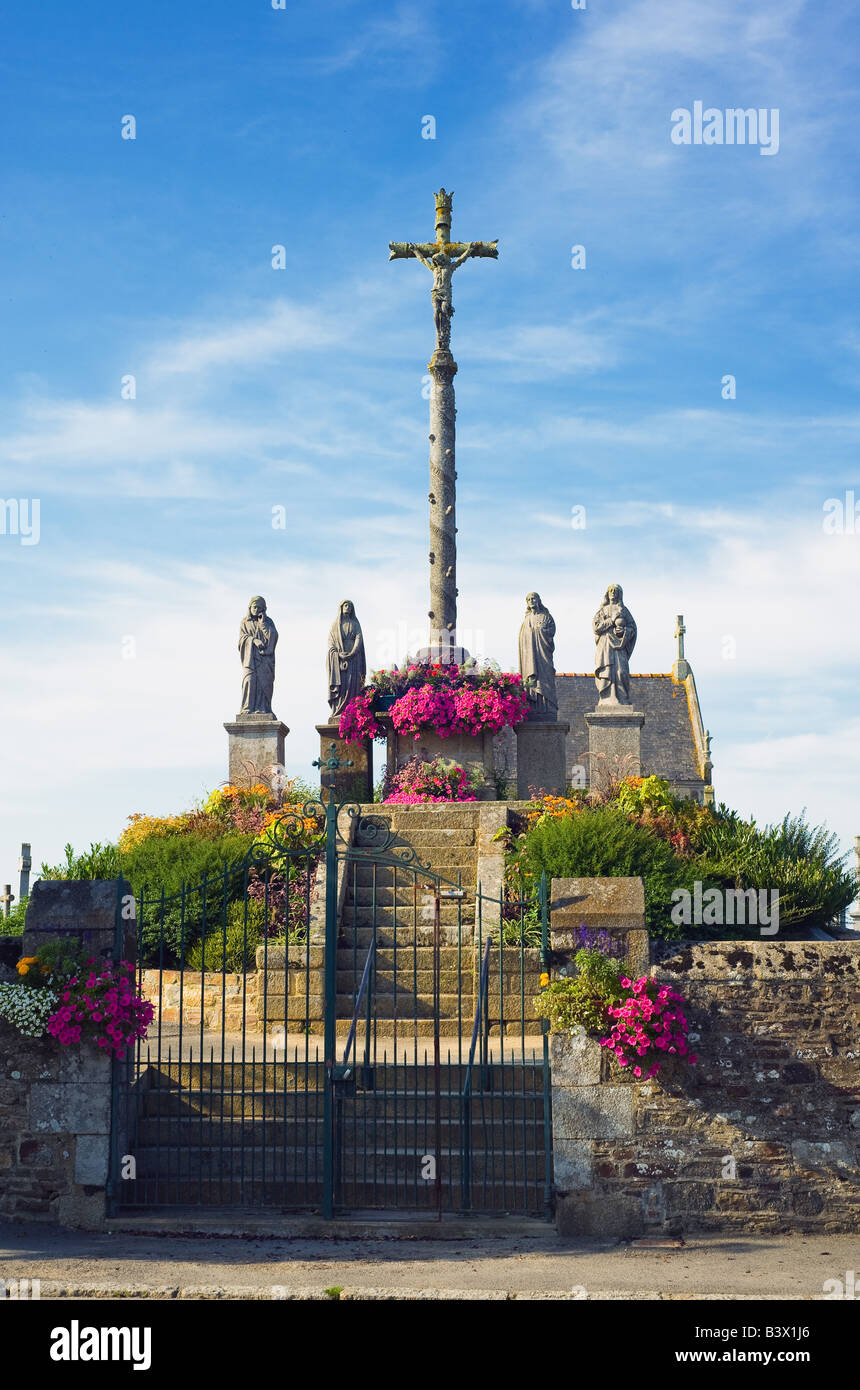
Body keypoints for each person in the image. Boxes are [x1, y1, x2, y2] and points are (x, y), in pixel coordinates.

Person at [593, 584, 637, 705]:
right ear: (607, 593)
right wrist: (611, 620)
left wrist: (624, 632)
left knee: (621, 672)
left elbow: (633, 628)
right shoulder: (602, 610)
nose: (613, 592)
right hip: (605, 646)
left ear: (619, 594)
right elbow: (596, 628)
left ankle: (622, 699)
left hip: (619, 647)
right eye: (610, 590)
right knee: (607, 671)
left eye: (615, 590)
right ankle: (607, 697)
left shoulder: (623, 610)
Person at [518, 592, 558, 721]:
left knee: (545, 678)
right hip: (530, 657)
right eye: (529, 599)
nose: (531, 601)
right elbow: (522, 641)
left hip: (543, 655)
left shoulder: (546, 617)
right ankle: (534, 706)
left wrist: (540, 631)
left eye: (533, 598)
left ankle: (547, 707)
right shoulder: (525, 621)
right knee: (532, 683)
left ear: (538, 600)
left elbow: (551, 632)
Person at [238, 596, 278, 715]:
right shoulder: (245, 622)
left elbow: (273, 637)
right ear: (250, 607)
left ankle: (262, 708)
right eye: (254, 607)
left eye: (260, 608)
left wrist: (263, 624)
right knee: (249, 681)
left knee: (263, 685)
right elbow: (241, 640)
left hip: (264, 660)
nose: (256, 610)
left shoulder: (268, 621)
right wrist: (253, 641)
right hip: (250, 661)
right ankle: (247, 708)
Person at [327, 600, 366, 718]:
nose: (348, 607)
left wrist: (352, 653)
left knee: (352, 684)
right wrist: (339, 655)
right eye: (345, 605)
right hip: (339, 660)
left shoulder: (355, 624)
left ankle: (352, 710)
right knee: (343, 685)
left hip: (354, 659)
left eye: (350, 606)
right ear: (341, 607)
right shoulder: (335, 625)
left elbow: (359, 639)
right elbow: (331, 643)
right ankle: (339, 710)